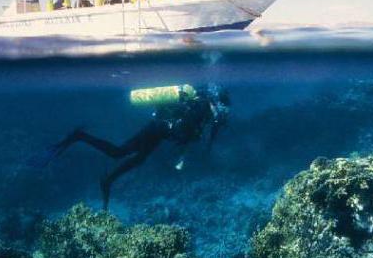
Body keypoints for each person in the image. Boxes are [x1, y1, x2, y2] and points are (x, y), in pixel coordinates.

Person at [35, 84, 230, 210]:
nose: (222, 115)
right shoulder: (202, 107)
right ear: (218, 103)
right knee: (119, 153)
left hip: (158, 132)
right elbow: (184, 131)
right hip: (156, 130)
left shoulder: (203, 110)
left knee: (133, 157)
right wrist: (188, 142)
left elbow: (187, 134)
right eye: (223, 109)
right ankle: (81, 139)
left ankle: (107, 177)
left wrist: (183, 153)